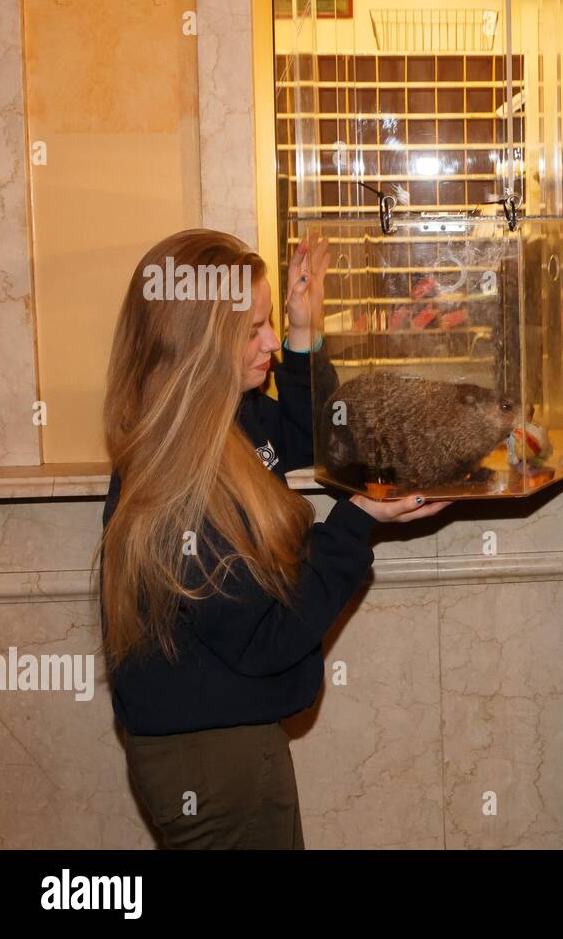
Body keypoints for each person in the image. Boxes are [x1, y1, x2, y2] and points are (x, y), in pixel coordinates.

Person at [99, 228, 450, 849]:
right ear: (199, 342)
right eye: (253, 330)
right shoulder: (182, 470)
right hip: (215, 761)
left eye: (271, 324)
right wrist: (357, 522)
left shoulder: (225, 421)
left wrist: (304, 331)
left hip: (223, 748)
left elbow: (315, 440)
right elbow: (268, 635)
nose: (270, 344)